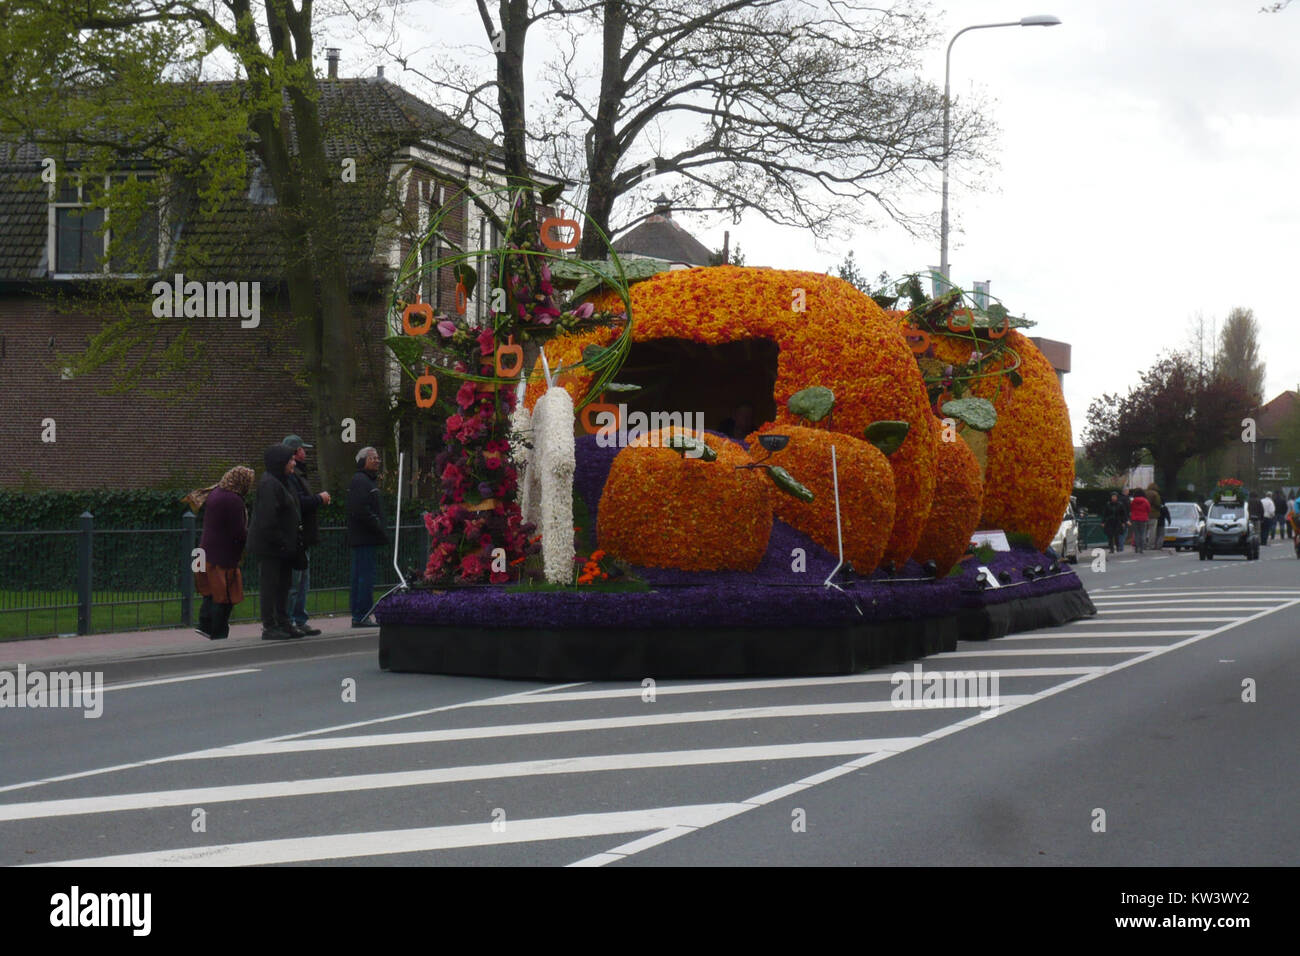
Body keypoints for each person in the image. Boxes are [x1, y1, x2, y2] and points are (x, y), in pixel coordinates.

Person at [248, 444, 304, 640]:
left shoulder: (283, 482)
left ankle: (283, 620)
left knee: (283, 585)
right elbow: (267, 519)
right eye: (290, 460)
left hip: (284, 547)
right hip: (271, 547)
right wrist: (281, 541)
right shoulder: (269, 484)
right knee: (270, 586)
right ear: (280, 462)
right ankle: (269, 625)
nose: (293, 462)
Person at [195, 466, 255, 640]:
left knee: (209, 592)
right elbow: (238, 532)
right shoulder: (234, 500)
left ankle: (204, 624)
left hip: (203, 552)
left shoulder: (215, 493)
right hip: (222, 556)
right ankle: (218, 630)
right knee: (225, 595)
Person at [284, 434, 330, 636]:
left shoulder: (299, 475)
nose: (305, 452)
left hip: (303, 535)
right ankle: (291, 619)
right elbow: (299, 502)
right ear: (294, 452)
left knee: (303, 580)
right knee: (295, 581)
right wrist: (319, 499)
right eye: (302, 449)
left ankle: (299, 618)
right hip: (297, 535)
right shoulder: (291, 477)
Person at [347, 446, 388, 627]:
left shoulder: (367, 481)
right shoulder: (361, 481)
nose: (377, 461)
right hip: (364, 537)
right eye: (373, 458)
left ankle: (360, 613)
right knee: (364, 577)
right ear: (363, 461)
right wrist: (377, 525)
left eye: (378, 458)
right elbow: (361, 509)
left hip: (365, 537)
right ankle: (361, 614)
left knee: (362, 576)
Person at [1129, 489, 1150, 554]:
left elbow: (1131, 508)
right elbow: (1148, 509)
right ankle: (1141, 548)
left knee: (1136, 533)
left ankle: (1136, 547)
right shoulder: (1146, 501)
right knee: (1142, 533)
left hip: (1135, 519)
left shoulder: (1133, 501)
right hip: (1143, 519)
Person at [1145, 483, 1164, 550]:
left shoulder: (1145, 493)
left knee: (1144, 530)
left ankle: (1143, 544)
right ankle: (1151, 545)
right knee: (1152, 531)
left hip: (1145, 514)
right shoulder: (1156, 494)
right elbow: (1158, 504)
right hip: (1153, 514)